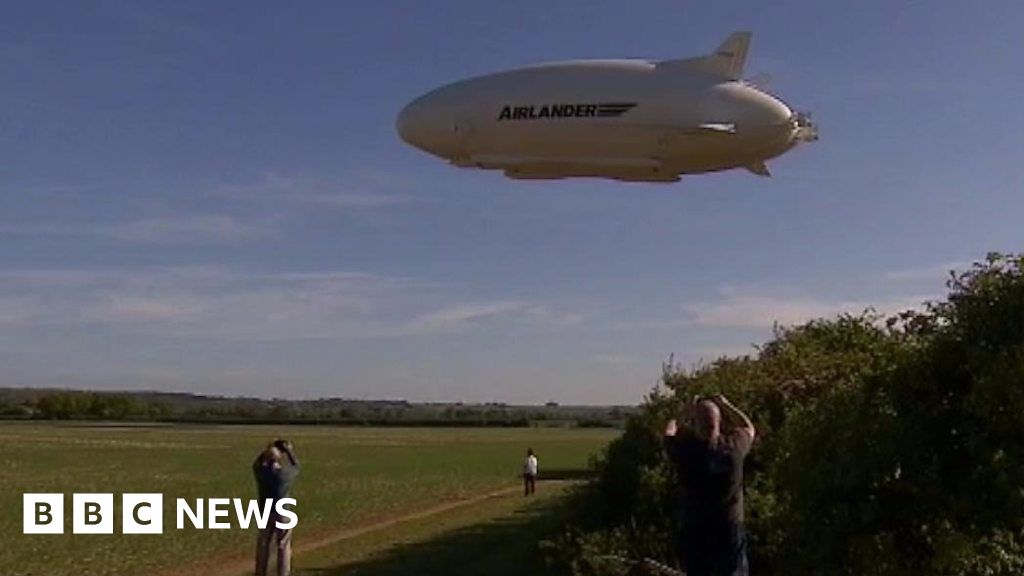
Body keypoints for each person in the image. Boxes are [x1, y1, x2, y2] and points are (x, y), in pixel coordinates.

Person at [664, 395, 755, 576]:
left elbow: (669, 432)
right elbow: (749, 428)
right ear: (719, 423)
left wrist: (684, 412)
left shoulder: (685, 451)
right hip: (729, 526)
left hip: (696, 527)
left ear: (696, 425)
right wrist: (726, 405)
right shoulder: (734, 447)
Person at [253, 439, 300, 576]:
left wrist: (268, 450)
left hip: (265, 512)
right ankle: (283, 573)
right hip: (283, 512)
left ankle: (260, 572)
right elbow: (296, 465)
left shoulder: (261, 472)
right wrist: (288, 450)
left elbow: (255, 464)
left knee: (263, 545)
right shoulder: (284, 474)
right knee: (283, 546)